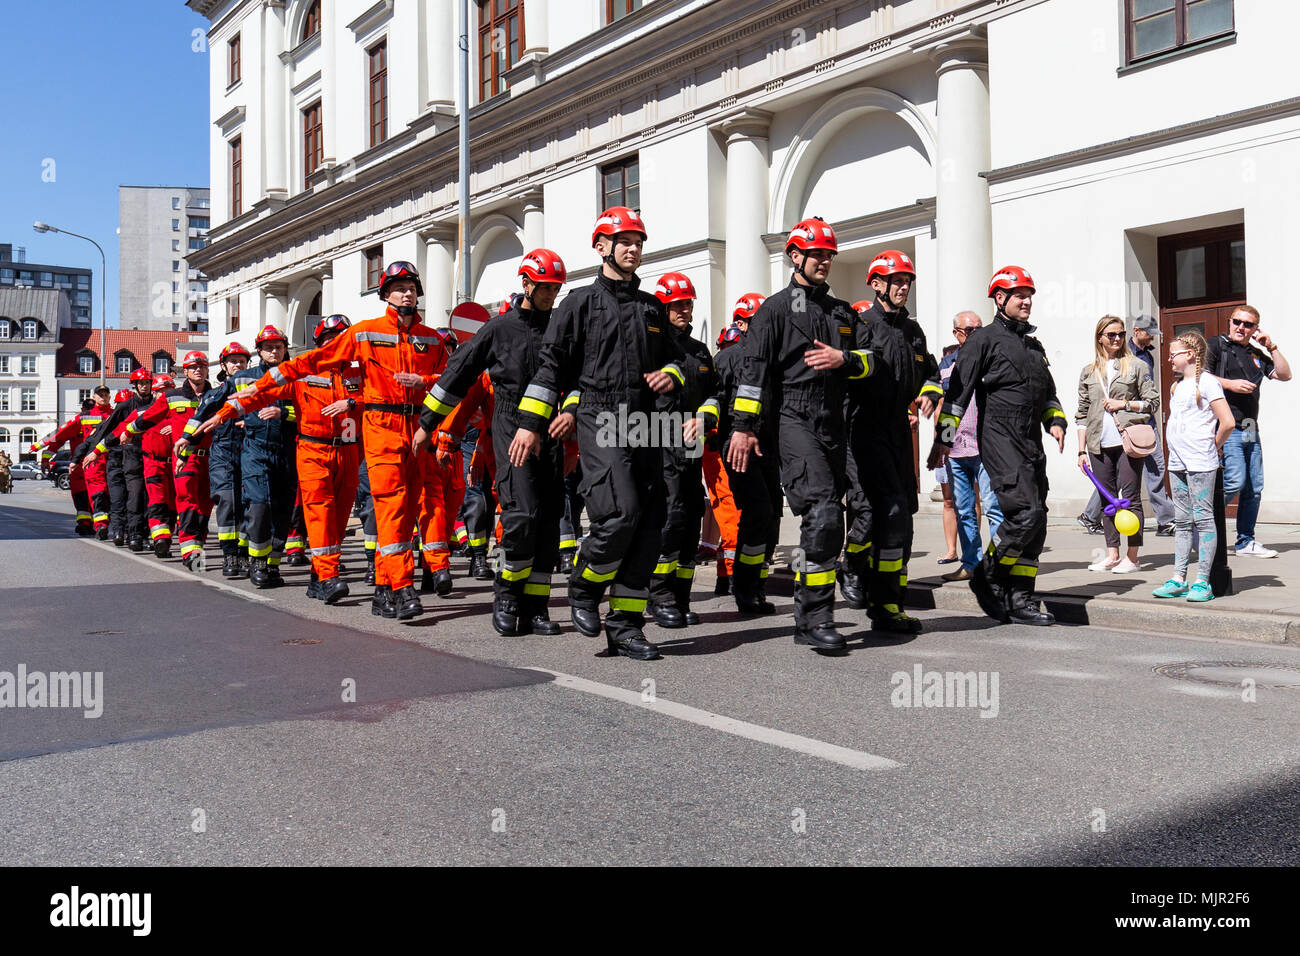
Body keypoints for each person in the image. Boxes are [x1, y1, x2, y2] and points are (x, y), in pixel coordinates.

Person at [510, 208, 685, 660]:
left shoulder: (652, 308)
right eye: (623, 240)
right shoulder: (579, 304)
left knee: (650, 525)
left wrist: (675, 373)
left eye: (638, 241)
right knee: (621, 511)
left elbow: (683, 358)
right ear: (601, 246)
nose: (632, 248)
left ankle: (625, 626)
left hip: (647, 423)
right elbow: (551, 368)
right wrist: (530, 424)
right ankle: (585, 584)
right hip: (600, 415)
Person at [235, 262, 454, 619]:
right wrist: (244, 397)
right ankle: (399, 587)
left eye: (412, 286)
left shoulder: (430, 338)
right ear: (385, 294)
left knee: (407, 511)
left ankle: (383, 590)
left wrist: (424, 384)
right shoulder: (365, 334)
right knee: (389, 507)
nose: (407, 292)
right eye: (399, 287)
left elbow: (449, 381)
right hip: (377, 430)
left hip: (416, 430)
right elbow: (307, 365)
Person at [727, 218, 872, 652]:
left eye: (830, 255)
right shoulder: (774, 310)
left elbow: (871, 359)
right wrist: (743, 428)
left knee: (832, 520)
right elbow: (752, 373)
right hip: (792, 417)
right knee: (824, 513)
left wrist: (844, 359)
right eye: (817, 255)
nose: (825, 261)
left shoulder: (841, 311)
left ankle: (809, 614)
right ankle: (815, 616)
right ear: (795, 256)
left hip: (835, 422)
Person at [417, 249, 570, 636]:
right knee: (520, 515)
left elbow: (576, 382)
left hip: (551, 431)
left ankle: (536, 606)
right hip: (509, 424)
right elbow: (460, 373)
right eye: (546, 289)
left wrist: (574, 444)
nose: (552, 296)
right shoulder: (499, 329)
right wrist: (428, 423)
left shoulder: (559, 328)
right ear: (526, 283)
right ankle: (507, 595)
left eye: (556, 289)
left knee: (549, 520)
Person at [936, 266, 1068, 626]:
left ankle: (1021, 598)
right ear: (999, 298)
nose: (1026, 301)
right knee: (1023, 513)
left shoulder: (1033, 346)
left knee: (1037, 520)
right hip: (998, 437)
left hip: (1030, 441)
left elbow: (1048, 394)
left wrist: (1055, 420)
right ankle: (986, 574)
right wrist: (943, 443)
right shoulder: (982, 340)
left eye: (1029, 295)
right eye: (1019, 294)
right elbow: (957, 396)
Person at [194, 316, 360, 602]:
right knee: (282, 509)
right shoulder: (303, 373)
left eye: (343, 337)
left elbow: (387, 398)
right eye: (331, 337)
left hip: (345, 452)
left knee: (331, 519)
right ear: (319, 344)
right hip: (306, 451)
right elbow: (260, 395)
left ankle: (316, 575)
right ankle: (315, 574)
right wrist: (222, 415)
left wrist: (354, 402)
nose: (337, 343)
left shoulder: (361, 372)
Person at [843, 250, 940, 634]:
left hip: (899, 431)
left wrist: (930, 391)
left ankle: (889, 600)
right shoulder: (860, 324)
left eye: (907, 281)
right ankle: (853, 570)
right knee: (874, 513)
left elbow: (930, 371)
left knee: (904, 518)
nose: (903, 287)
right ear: (877, 283)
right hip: (863, 430)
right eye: (896, 280)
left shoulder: (913, 331)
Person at [648, 272, 716, 627]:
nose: (685, 310)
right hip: (658, 442)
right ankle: (658, 597)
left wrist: (706, 417)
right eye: (677, 305)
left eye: (688, 304)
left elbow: (716, 393)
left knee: (691, 518)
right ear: (663, 306)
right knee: (670, 519)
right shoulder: (652, 347)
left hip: (691, 444)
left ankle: (681, 596)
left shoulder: (700, 351)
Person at [1152, 331, 1235, 602]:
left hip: (1200, 461)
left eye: (1173, 353)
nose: (1169, 358)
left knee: (1203, 517)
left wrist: (1214, 445)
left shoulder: (1208, 382)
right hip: (1177, 462)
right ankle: (1178, 577)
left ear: (1189, 354)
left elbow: (1228, 421)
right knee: (1182, 521)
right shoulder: (1177, 386)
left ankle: (1202, 581)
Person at [1074, 315, 1159, 574]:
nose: (1117, 339)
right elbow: (1082, 413)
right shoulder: (1089, 371)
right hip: (1098, 444)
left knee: (1130, 499)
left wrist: (1124, 404)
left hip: (1128, 441)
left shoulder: (1136, 366)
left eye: (1120, 334)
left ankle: (1132, 558)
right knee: (1107, 499)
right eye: (1111, 334)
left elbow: (1152, 403)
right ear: (1099, 337)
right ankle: (1112, 554)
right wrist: (1080, 450)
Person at [1206, 304, 1292, 557]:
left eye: (1248, 324)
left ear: (1255, 328)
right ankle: (1200, 522)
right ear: (1229, 322)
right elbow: (1199, 377)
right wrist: (1229, 384)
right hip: (1227, 426)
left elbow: (1285, 375)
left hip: (1250, 427)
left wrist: (1271, 346)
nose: (1241, 328)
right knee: (1234, 480)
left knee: (1254, 487)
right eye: (1237, 322)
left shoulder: (1255, 353)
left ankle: (1245, 542)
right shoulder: (1216, 345)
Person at [931, 311, 1003, 583]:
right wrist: (942, 443)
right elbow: (942, 406)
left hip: (986, 448)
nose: (974, 333)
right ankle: (971, 563)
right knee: (963, 510)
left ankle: (998, 566)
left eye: (978, 329)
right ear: (956, 333)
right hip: (957, 451)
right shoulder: (947, 365)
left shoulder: (992, 361)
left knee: (994, 508)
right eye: (968, 329)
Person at [187, 342, 251, 577]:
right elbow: (198, 423)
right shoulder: (216, 394)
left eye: (242, 361)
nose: (238, 365)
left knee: (249, 505)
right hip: (223, 455)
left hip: (249, 454)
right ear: (223, 365)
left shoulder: (256, 389)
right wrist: (185, 449)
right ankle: (229, 555)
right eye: (233, 361)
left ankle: (244, 553)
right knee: (227, 502)